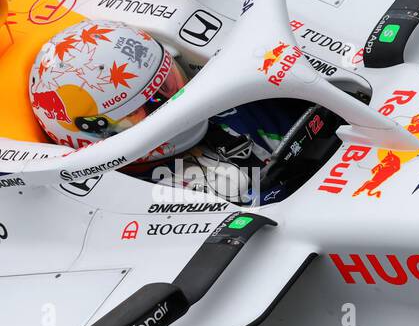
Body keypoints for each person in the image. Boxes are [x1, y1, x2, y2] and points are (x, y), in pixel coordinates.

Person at [29, 19, 297, 203]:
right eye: (143, 108)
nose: (170, 102)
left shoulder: (241, 109)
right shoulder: (132, 198)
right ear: (93, 131)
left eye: (169, 83)